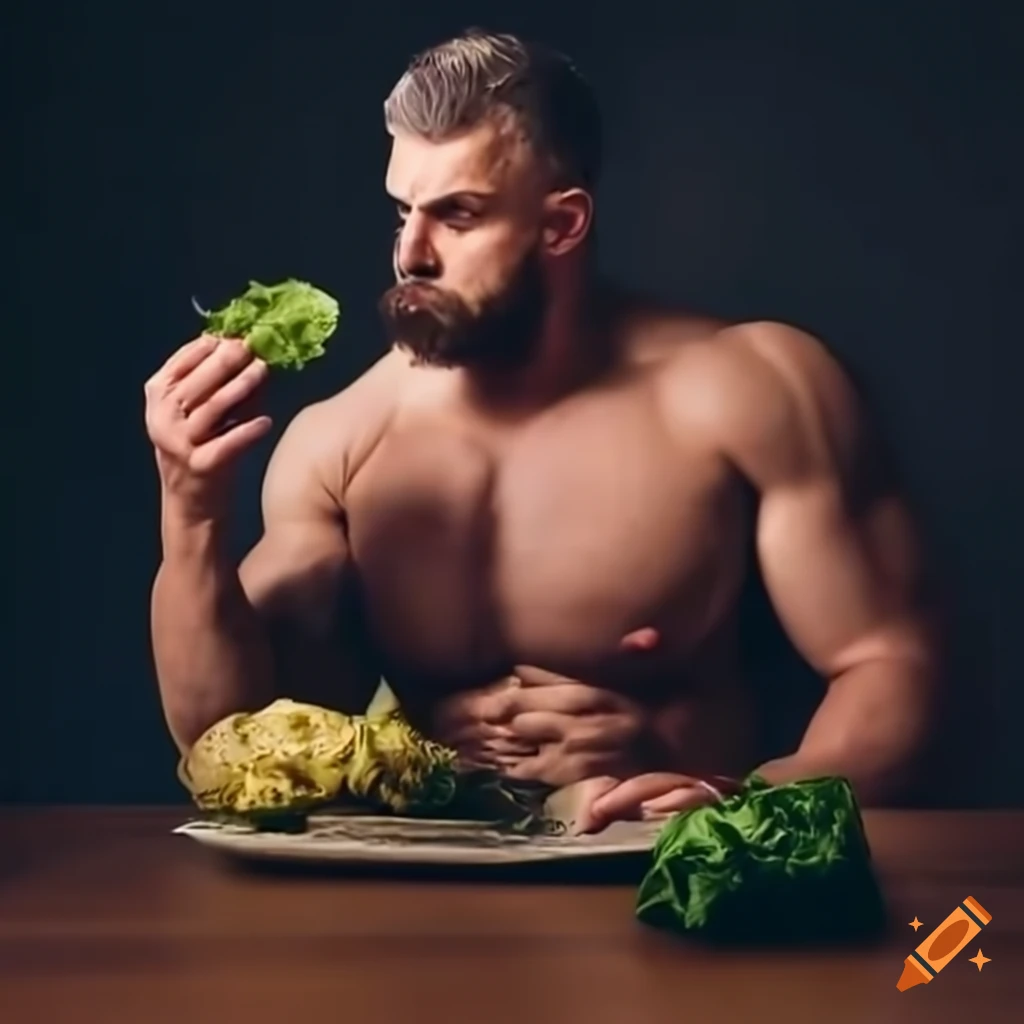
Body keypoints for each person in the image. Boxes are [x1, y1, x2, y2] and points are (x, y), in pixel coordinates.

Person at [145, 29, 942, 833]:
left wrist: (736, 802)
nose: (410, 254)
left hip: (666, 885)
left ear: (561, 225)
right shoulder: (343, 443)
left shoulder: (749, 390)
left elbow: (889, 665)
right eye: (402, 211)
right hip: (417, 890)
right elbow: (225, 740)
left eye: (458, 215)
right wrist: (192, 511)